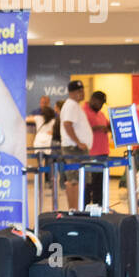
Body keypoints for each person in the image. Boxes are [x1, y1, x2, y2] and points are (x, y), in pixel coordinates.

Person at [59, 79, 92, 210]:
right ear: (72, 93)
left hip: (76, 148)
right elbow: (67, 124)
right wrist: (78, 142)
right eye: (79, 91)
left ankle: (76, 209)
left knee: (77, 180)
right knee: (74, 181)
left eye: (83, 90)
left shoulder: (74, 105)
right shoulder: (71, 105)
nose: (82, 93)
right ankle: (74, 209)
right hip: (74, 148)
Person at [83, 90, 111, 207]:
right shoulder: (83, 112)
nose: (101, 106)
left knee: (101, 184)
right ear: (93, 100)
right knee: (89, 184)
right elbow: (82, 129)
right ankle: (84, 207)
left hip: (103, 153)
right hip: (91, 153)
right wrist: (97, 128)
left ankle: (99, 206)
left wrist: (108, 127)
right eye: (100, 103)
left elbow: (108, 125)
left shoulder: (101, 114)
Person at [31, 105, 58, 203]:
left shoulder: (38, 118)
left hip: (38, 143)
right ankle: (50, 183)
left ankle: (39, 183)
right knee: (49, 164)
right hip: (48, 143)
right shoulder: (53, 121)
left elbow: (27, 119)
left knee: (39, 165)